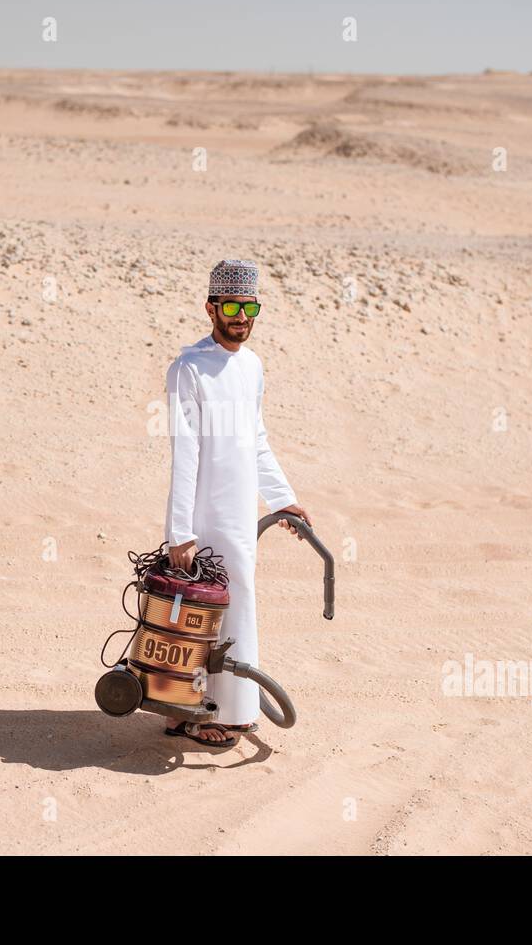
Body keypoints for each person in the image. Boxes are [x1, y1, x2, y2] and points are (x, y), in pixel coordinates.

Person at [163, 259, 311, 747]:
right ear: (211, 307)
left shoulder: (252, 366)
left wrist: (284, 499)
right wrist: (179, 531)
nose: (241, 316)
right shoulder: (189, 368)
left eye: (249, 307)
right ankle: (190, 709)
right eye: (231, 306)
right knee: (198, 610)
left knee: (236, 603)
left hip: (240, 513)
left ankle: (233, 710)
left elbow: (259, 440)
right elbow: (185, 452)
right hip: (204, 513)